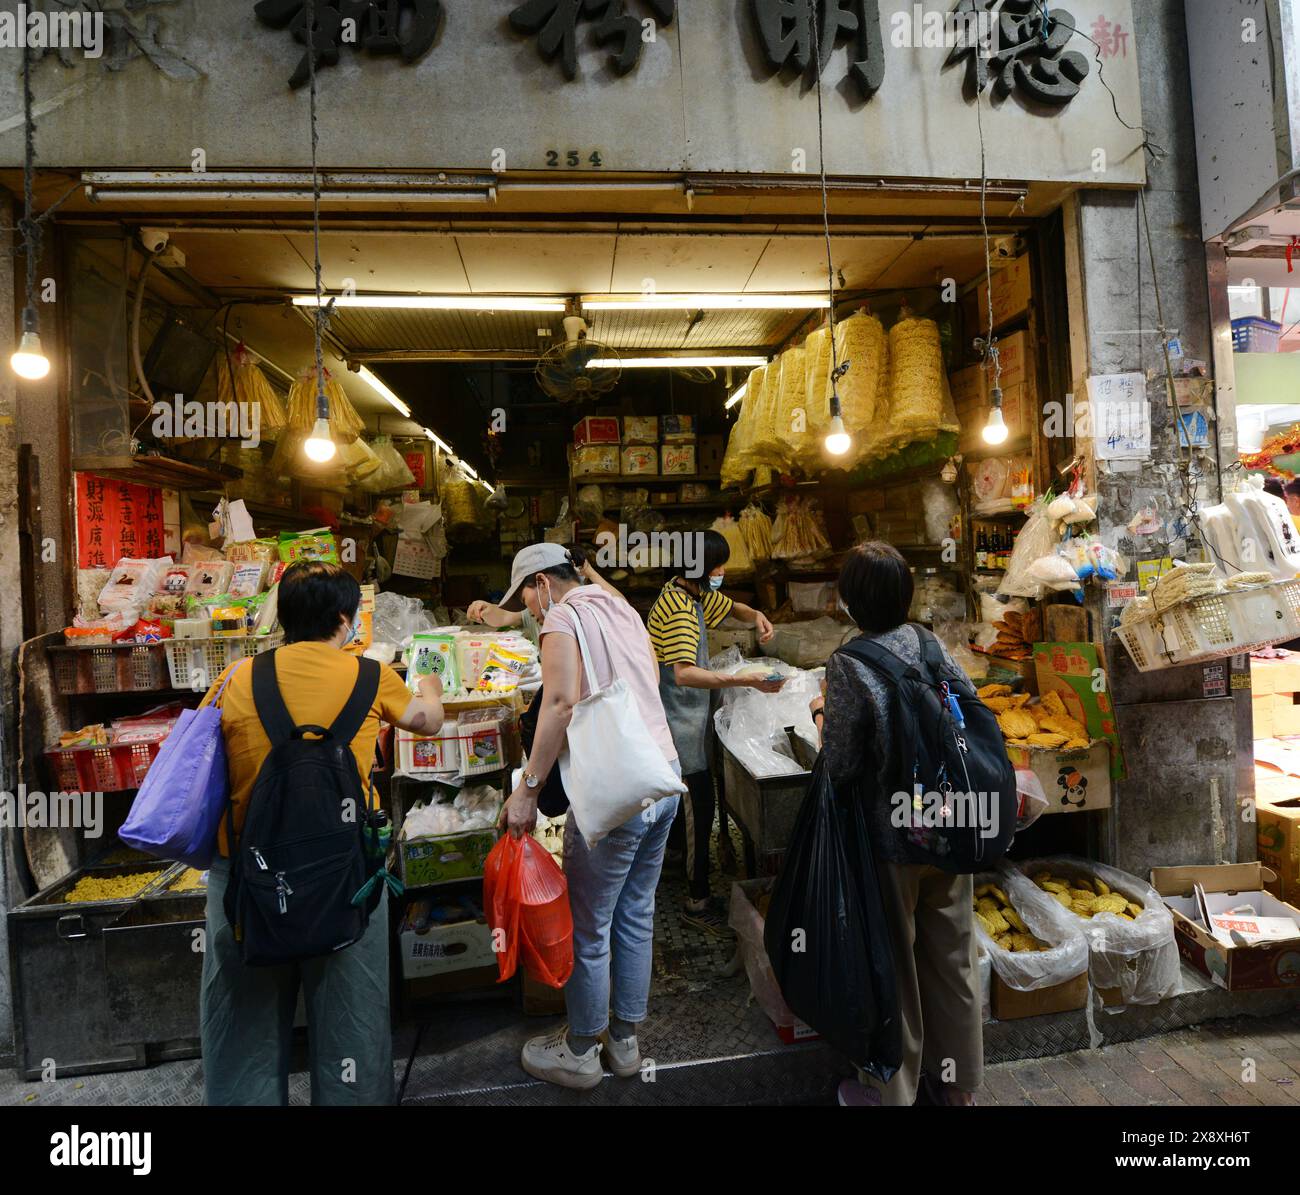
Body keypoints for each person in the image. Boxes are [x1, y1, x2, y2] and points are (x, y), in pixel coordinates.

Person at [198, 561, 444, 1106]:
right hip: (345, 874)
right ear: (343, 618)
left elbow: (199, 760)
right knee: (351, 1017)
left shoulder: (236, 677)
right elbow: (429, 721)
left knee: (242, 1024)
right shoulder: (370, 675)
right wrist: (427, 681)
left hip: (245, 876)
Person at [497, 542, 680, 1091]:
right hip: (662, 777)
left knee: (592, 926)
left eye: (526, 597)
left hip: (617, 791)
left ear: (541, 584)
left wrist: (528, 789)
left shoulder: (560, 616)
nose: (529, 610)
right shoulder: (618, 605)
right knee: (636, 915)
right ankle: (623, 1045)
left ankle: (580, 1051)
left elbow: (559, 703)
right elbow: (646, 673)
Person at [810, 542, 982, 1109]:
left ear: (849, 599)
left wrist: (820, 714)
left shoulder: (850, 662)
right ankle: (956, 1087)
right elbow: (971, 710)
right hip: (950, 822)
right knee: (953, 958)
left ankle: (892, 1092)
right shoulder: (931, 645)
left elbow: (840, 764)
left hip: (892, 837)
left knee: (896, 966)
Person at [647, 528, 779, 936]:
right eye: (717, 565)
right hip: (679, 727)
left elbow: (731, 605)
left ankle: (673, 864)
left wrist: (755, 615)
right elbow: (684, 674)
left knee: (689, 813)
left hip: (687, 722)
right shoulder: (682, 612)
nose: (722, 570)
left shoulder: (684, 591)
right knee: (697, 811)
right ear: (698, 568)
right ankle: (696, 900)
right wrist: (746, 680)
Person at [466, 554, 621, 647]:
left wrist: (589, 572)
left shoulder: (587, 613)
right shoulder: (535, 612)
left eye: (524, 598)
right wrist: (484, 608)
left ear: (542, 583)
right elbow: (504, 616)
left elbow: (620, 607)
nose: (526, 606)